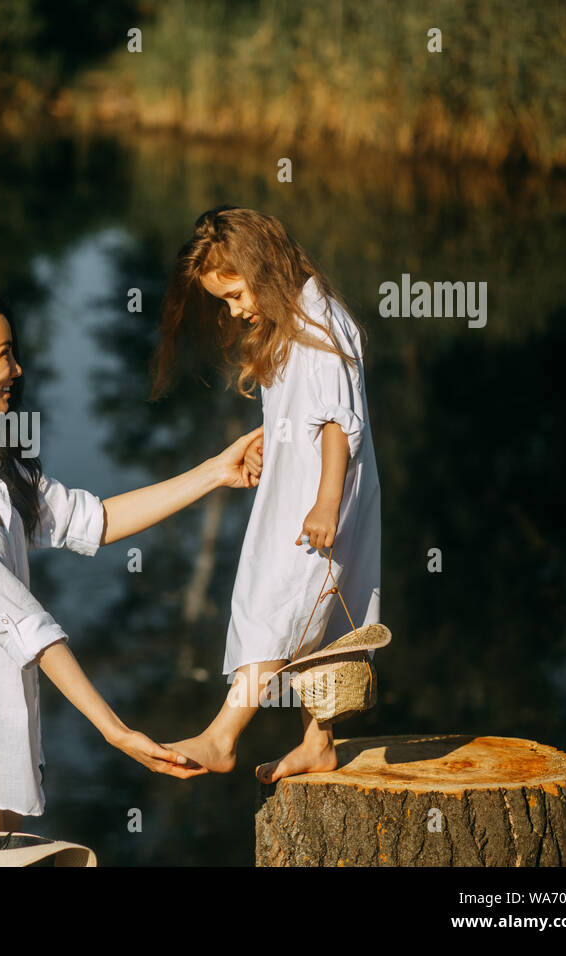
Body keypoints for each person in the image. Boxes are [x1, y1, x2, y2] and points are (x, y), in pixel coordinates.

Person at [0, 281, 264, 851]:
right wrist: (116, 731)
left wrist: (216, 473)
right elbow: (22, 620)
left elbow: (92, 521)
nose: (17, 367)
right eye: (4, 353)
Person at [149, 206, 382, 783]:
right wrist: (265, 448)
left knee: (278, 606)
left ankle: (222, 736)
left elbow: (335, 423)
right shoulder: (292, 319)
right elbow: (298, 417)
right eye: (223, 302)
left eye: (235, 294)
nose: (235, 310)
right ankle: (318, 742)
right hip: (299, 492)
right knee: (313, 619)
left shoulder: (318, 319)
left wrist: (327, 500)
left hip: (319, 500)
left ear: (264, 267)